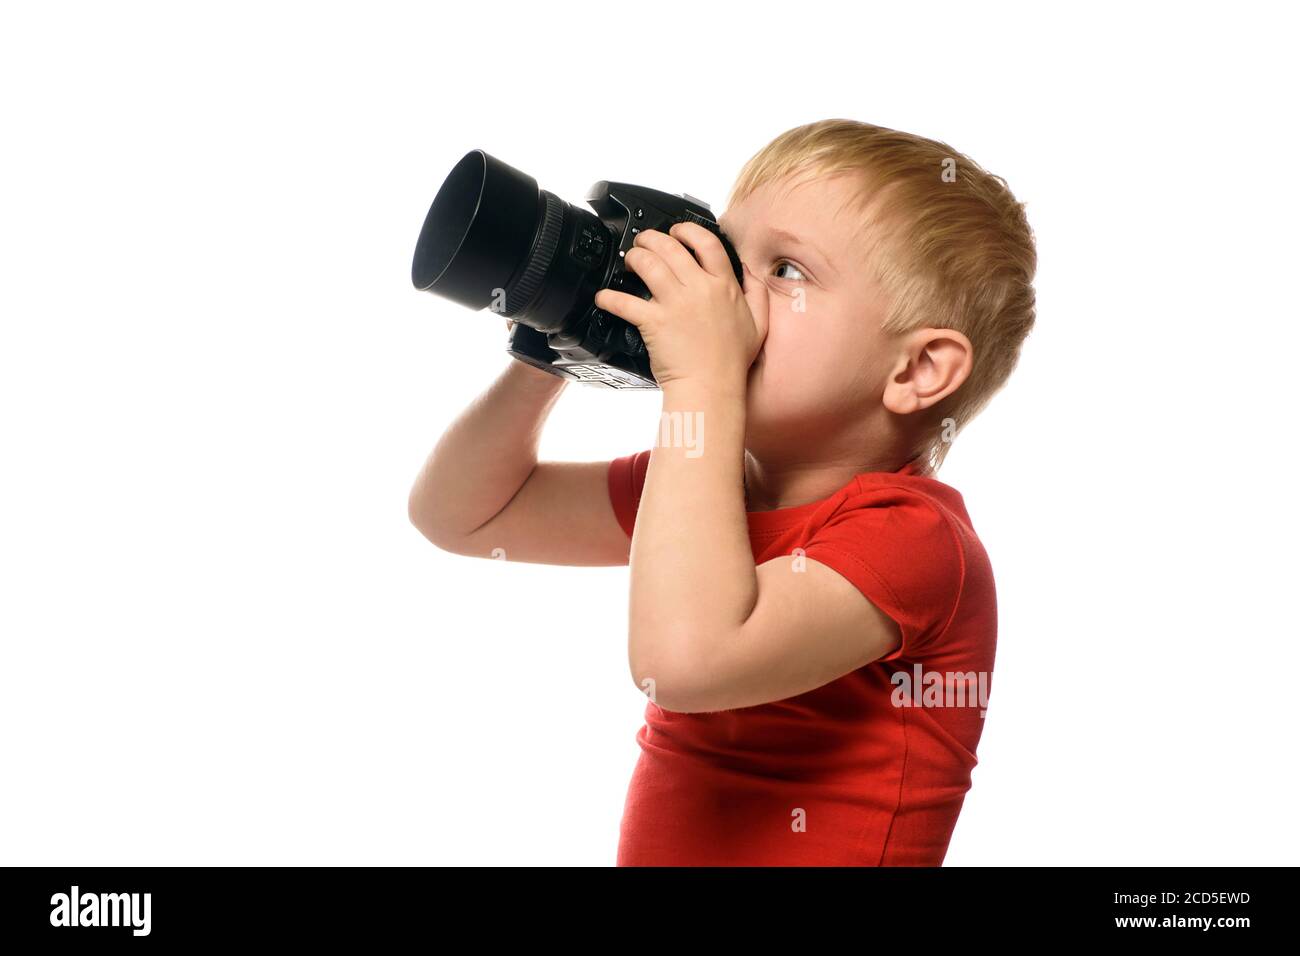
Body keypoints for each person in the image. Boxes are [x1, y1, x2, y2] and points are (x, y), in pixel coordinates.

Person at [408, 118, 1037, 865]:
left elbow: (682, 663)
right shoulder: (707, 485)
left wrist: (699, 381)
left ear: (916, 371)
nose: (727, 294)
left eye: (788, 272)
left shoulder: (914, 541)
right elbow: (463, 514)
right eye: (731, 254)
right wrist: (559, 342)